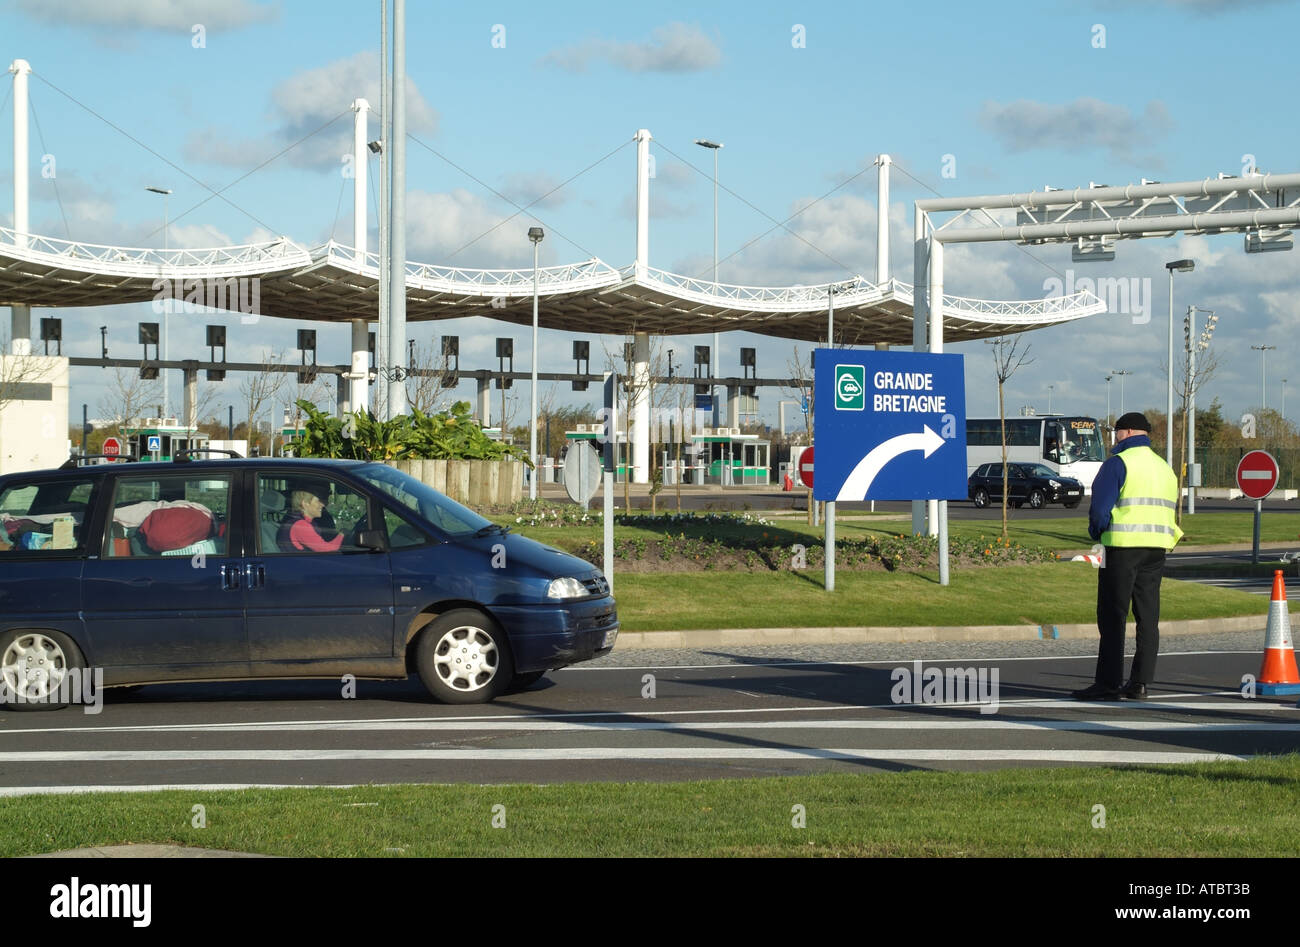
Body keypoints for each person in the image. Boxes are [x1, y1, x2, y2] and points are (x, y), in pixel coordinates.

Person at [1073, 412, 1183, 701]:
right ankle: (1140, 684)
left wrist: (1096, 533)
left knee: (1112, 615)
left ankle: (1108, 683)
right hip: (1157, 548)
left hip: (1121, 546)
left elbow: (1099, 510)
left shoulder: (1118, 463)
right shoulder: (1164, 468)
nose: (1115, 437)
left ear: (1129, 431)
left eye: (1117, 432)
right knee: (1148, 617)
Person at [277, 487, 343, 553]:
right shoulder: (301, 525)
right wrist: (343, 534)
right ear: (305, 503)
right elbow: (327, 549)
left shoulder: (298, 521)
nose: (322, 505)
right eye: (318, 501)